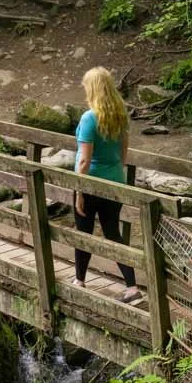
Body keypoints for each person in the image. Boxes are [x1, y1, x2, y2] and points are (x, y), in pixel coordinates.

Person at [73, 66, 143, 304]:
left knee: (84, 232)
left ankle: (79, 281)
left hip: (91, 183)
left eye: (85, 86)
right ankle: (132, 287)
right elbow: (124, 151)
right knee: (113, 233)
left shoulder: (90, 117)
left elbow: (84, 160)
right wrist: (116, 173)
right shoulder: (120, 114)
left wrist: (79, 191)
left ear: (92, 88)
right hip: (114, 181)